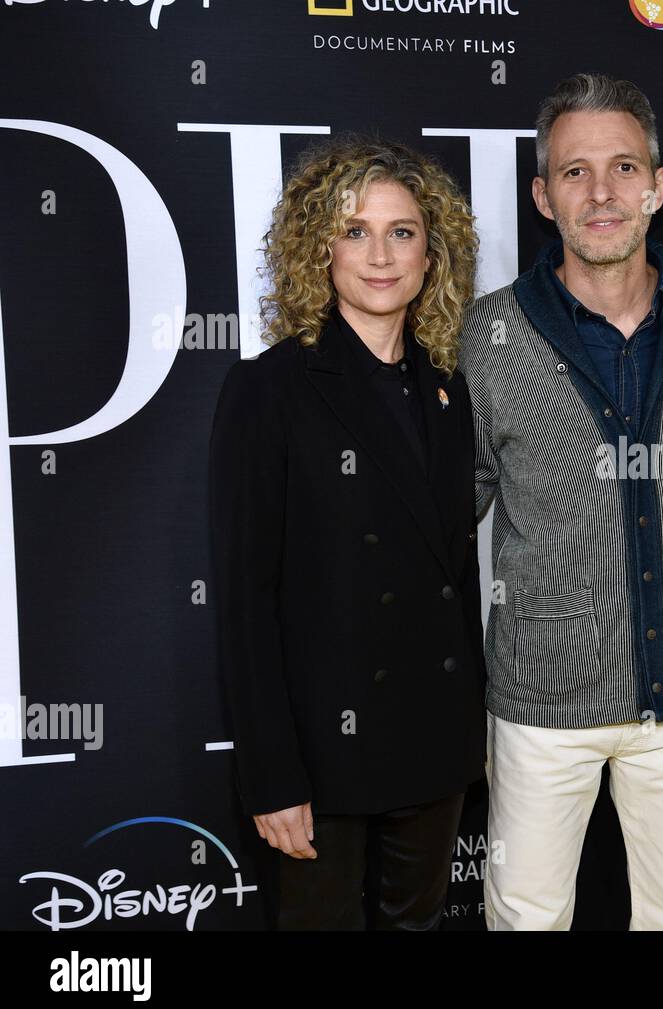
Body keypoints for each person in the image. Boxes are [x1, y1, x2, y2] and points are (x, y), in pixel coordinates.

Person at [458, 72, 663, 930]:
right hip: (543, 701)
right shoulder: (486, 337)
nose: (602, 192)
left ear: (658, 186)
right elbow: (446, 512)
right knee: (527, 918)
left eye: (623, 168)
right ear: (544, 196)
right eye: (575, 172)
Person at [209, 137, 484, 930]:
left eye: (401, 232)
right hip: (320, 755)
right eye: (354, 231)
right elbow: (245, 600)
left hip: (432, 747)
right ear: (319, 250)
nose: (380, 256)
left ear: (432, 252)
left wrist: (469, 733)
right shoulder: (268, 389)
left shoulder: (447, 391)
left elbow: (456, 577)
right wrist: (271, 774)